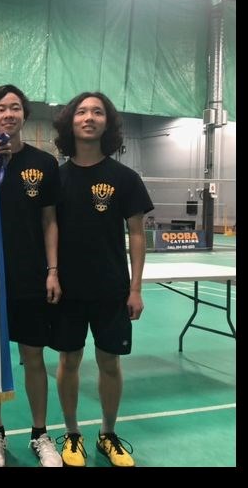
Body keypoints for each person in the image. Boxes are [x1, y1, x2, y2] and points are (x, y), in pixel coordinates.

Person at [50, 92, 153, 467]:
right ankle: (72, 433)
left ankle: (108, 434)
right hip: (68, 290)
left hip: (112, 288)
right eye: (81, 111)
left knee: (110, 362)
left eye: (97, 112)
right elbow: (49, 230)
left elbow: (137, 234)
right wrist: (52, 275)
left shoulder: (125, 178)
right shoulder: (55, 178)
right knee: (69, 360)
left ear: (107, 123)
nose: (89, 117)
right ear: (70, 121)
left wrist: (136, 288)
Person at [0, 85, 63, 467]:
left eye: (14, 108)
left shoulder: (44, 163)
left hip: (29, 276)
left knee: (34, 357)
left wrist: (53, 270)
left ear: (24, 115)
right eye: (0, 108)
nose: (8, 114)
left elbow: (49, 221)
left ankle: (40, 434)